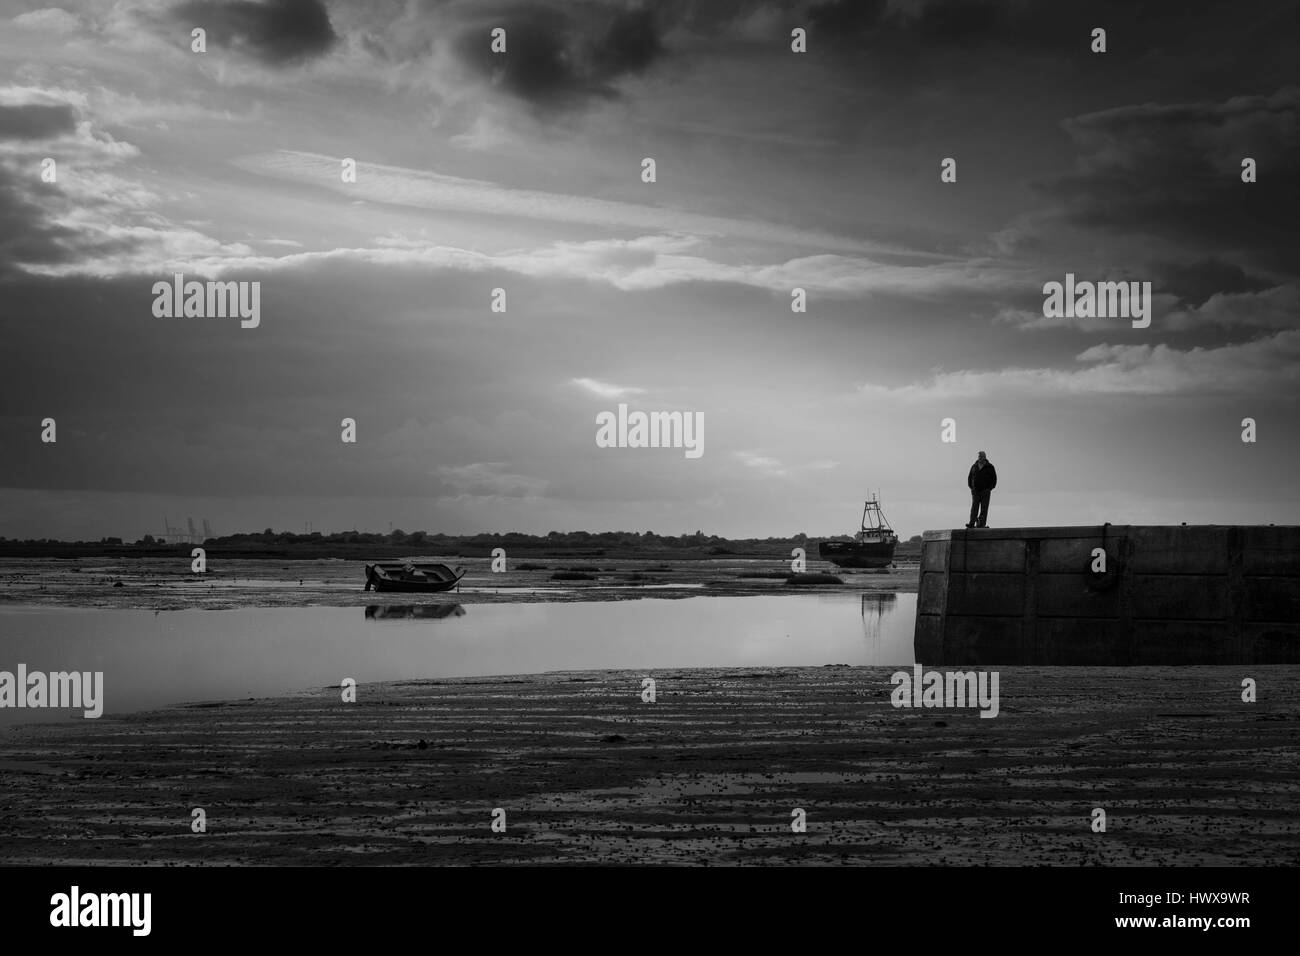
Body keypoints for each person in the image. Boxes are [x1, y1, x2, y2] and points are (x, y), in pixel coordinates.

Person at [967, 450, 997, 528]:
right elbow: (970, 478)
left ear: (985, 457)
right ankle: (971, 523)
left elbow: (994, 479)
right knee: (974, 508)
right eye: (979, 456)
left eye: (981, 456)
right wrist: (972, 488)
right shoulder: (974, 466)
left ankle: (981, 524)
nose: (980, 458)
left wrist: (989, 488)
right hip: (975, 491)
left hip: (985, 491)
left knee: (984, 509)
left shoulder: (990, 467)